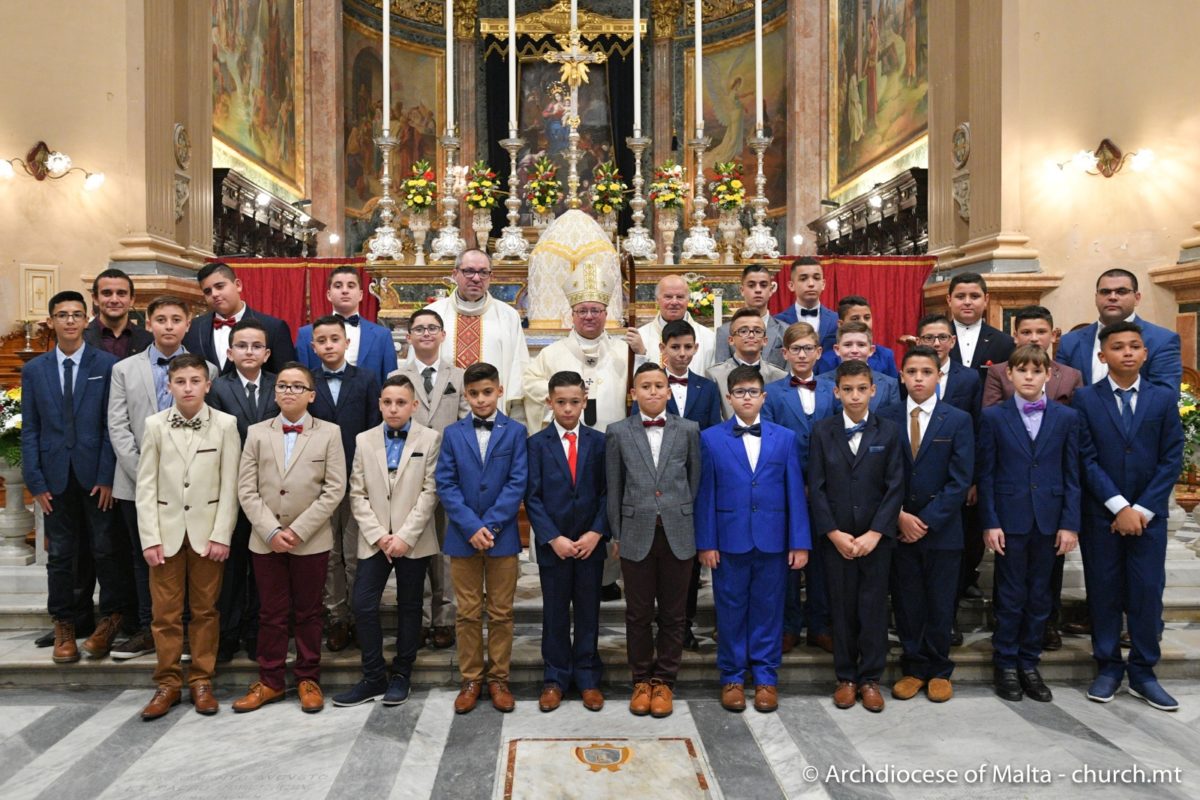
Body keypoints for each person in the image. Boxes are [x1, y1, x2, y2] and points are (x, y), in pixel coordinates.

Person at [1074, 322, 1184, 711]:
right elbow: (1085, 458)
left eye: (1135, 346)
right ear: (1103, 356)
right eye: (1117, 347)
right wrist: (1118, 505)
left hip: (1148, 517)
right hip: (1102, 515)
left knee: (1146, 591)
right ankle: (1107, 667)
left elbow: (1172, 457)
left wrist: (1140, 508)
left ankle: (1143, 671)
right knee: (1104, 590)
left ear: (1145, 354)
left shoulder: (1161, 399)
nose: (1127, 352)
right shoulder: (1085, 399)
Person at [107, 295, 218, 661]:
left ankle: (185, 630)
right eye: (161, 319)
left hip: (193, 485)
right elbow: (118, 426)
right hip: (137, 480)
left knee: (189, 554)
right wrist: (146, 474)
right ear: (148, 323)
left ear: (188, 323)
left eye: (176, 319)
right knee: (148, 558)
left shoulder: (209, 371)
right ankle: (147, 628)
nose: (169, 326)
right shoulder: (124, 369)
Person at [234, 362, 347, 714]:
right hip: (265, 539)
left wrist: (298, 530)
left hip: (309, 539)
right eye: (282, 385)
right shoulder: (256, 432)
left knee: (310, 612)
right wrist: (270, 530)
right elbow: (246, 489)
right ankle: (269, 680)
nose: (288, 391)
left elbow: (334, 489)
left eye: (297, 386)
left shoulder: (330, 433)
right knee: (271, 612)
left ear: (311, 395)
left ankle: (308, 677)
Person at [696, 365, 810, 713]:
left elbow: (795, 492)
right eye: (740, 392)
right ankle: (731, 676)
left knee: (768, 609)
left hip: (773, 539)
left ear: (764, 396)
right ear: (729, 398)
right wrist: (707, 542)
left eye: (753, 392)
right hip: (729, 540)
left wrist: (799, 541)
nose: (746, 398)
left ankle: (765, 678)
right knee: (730, 610)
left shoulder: (784, 438)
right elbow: (706, 494)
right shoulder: (710, 438)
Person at [135, 355, 241, 720]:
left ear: (208, 384)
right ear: (169, 386)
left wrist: (221, 534)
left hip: (206, 534)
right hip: (164, 533)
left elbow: (230, 485)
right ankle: (166, 683)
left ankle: (201, 679)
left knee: (205, 611)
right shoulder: (154, 426)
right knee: (164, 614)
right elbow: (145, 486)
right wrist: (149, 537)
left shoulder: (226, 425)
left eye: (196, 380)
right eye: (180, 381)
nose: (188, 387)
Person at [20, 291, 120, 665]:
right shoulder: (35, 370)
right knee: (60, 555)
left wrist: (109, 475)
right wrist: (36, 481)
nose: (70, 321)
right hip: (55, 478)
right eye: (62, 315)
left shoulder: (106, 365)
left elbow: (113, 425)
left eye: (77, 314)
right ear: (51, 321)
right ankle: (64, 623)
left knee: (105, 550)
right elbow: (31, 429)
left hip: (97, 476)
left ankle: (109, 619)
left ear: (87, 319)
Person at [978, 345, 1081, 703]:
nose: (1028, 377)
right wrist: (990, 521)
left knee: (1040, 595)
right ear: (1009, 374)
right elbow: (986, 474)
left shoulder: (1067, 418)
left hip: (1050, 520)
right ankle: (1005, 662)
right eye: (1022, 370)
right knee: (1009, 594)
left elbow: (1072, 474)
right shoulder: (993, 417)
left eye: (1036, 371)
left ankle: (1029, 662)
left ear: (1049, 375)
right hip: (1010, 519)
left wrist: (1070, 524)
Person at [333, 375, 443, 708]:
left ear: (413, 405)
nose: (393, 409)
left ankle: (402, 674)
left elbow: (430, 492)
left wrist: (405, 537)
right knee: (363, 604)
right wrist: (380, 535)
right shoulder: (364, 440)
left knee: (410, 606)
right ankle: (373, 675)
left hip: (413, 539)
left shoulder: (431, 438)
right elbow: (358, 492)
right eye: (387, 402)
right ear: (380, 403)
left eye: (400, 403)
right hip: (375, 538)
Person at [807, 361, 904, 713]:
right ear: (836, 392)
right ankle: (846, 677)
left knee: (874, 608)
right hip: (837, 539)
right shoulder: (822, 431)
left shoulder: (890, 431)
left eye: (862, 388)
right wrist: (833, 533)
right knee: (843, 608)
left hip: (875, 539)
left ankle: (871, 678)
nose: (855, 395)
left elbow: (895, 487)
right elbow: (816, 488)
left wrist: (876, 532)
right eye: (847, 389)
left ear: (873, 389)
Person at [606, 363, 702, 718]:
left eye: (659, 385)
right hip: (635, 532)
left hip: (678, 531)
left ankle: (665, 681)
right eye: (645, 386)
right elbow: (614, 485)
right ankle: (641, 679)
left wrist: (684, 518)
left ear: (668, 390)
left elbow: (696, 481)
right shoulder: (618, 432)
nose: (652, 392)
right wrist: (616, 532)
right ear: (634, 393)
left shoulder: (689, 429)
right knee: (638, 613)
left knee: (675, 614)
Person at [879, 346, 974, 704]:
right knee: (907, 601)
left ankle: (939, 668)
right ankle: (914, 666)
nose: (919, 378)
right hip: (899, 526)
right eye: (912, 372)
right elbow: (882, 475)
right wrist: (899, 514)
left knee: (940, 601)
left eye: (926, 372)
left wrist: (928, 520)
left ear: (938, 377)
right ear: (901, 377)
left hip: (943, 530)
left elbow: (960, 479)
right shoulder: (886, 417)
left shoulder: (958, 419)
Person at [436, 362, 528, 714]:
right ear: (465, 395)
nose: (480, 399)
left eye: (487, 392)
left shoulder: (515, 432)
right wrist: (472, 527)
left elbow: (517, 482)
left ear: (499, 391)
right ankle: (471, 677)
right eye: (473, 393)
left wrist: (491, 525)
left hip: (501, 537)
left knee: (502, 612)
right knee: (468, 612)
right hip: (463, 537)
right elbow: (446, 483)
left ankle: (499, 677)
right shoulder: (453, 433)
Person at [524, 371, 609, 713]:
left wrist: (596, 532)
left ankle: (588, 677)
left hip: (590, 543)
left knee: (589, 611)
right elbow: (532, 497)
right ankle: (555, 678)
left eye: (575, 402)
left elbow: (607, 492)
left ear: (584, 402)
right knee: (555, 612)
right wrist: (552, 537)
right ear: (550, 402)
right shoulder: (536, 444)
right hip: (554, 545)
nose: (568, 409)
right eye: (561, 402)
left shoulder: (600, 442)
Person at [638, 318, 721, 649]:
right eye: (675, 347)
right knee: (654, 559)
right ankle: (653, 625)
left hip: (692, 482)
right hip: (657, 480)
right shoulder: (649, 384)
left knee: (684, 562)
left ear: (696, 348)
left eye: (688, 347)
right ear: (663, 349)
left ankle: (683, 626)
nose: (682, 353)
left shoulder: (708, 387)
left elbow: (713, 432)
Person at [204, 318, 280, 663]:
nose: (249, 352)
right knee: (233, 566)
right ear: (230, 352)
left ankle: (257, 632)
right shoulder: (218, 389)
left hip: (271, 490)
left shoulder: (281, 386)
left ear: (266, 354)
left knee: (264, 567)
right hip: (231, 489)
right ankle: (228, 633)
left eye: (256, 347)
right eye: (242, 346)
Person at [394, 308, 469, 651]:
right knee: (415, 549)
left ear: (442, 335)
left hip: (450, 473)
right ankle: (421, 617)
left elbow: (466, 422)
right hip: (409, 475)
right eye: (419, 328)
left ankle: (445, 618)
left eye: (432, 328)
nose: (426, 333)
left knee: (447, 550)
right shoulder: (397, 375)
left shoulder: (459, 374)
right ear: (408, 337)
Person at [306, 315, 383, 652]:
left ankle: (359, 613)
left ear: (347, 342)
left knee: (354, 552)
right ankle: (336, 615)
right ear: (313, 346)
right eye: (321, 341)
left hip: (356, 478)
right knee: (328, 552)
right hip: (318, 480)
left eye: (334, 339)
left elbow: (373, 430)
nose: (328, 346)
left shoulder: (366, 380)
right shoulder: (306, 382)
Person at [763, 321, 839, 655]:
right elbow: (770, 442)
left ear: (819, 352)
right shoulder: (774, 392)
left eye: (809, 348)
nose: (803, 354)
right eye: (796, 349)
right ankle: (789, 625)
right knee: (789, 561)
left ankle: (820, 625)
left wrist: (819, 484)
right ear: (785, 353)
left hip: (827, 489)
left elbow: (839, 436)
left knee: (823, 560)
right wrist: (796, 485)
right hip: (786, 489)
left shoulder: (833, 389)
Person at [523, 264, 629, 434]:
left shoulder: (624, 352)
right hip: (567, 440)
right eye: (582, 311)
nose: (589, 316)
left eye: (595, 310)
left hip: (614, 438)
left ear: (606, 314)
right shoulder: (550, 354)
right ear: (572, 315)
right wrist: (560, 392)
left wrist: (641, 355)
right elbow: (529, 383)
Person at [423, 249, 529, 415]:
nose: (476, 278)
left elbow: (518, 369)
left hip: (493, 414)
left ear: (490, 277)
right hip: (443, 414)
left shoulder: (508, 316)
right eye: (469, 271)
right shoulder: (432, 315)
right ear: (455, 274)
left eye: (483, 272)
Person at [1056, 268, 1182, 391]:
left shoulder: (1162, 340)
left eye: (1121, 292)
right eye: (1105, 292)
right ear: (1096, 297)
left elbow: (1165, 395)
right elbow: (1060, 394)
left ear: (1137, 298)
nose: (1112, 297)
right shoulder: (1069, 342)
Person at [183, 262, 296, 374]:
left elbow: (287, 378)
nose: (214, 294)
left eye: (220, 286)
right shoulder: (193, 328)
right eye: (207, 291)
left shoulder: (274, 328)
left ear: (238, 285)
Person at [295, 266, 398, 385]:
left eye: (351, 286)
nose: (345, 290)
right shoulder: (306, 334)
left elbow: (391, 383)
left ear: (360, 295)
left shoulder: (382, 336)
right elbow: (301, 381)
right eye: (338, 286)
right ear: (329, 294)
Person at [982, 306, 1084, 409]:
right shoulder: (998, 372)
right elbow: (992, 417)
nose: (1034, 339)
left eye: (1041, 332)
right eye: (1026, 332)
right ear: (1016, 337)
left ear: (1053, 336)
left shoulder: (1072, 376)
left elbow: (1077, 420)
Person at [626, 275, 717, 373]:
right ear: (657, 300)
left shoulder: (708, 338)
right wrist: (642, 355)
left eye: (680, 297)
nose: (674, 302)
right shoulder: (640, 337)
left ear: (688, 300)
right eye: (668, 297)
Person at [708, 307, 787, 420]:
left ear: (765, 340)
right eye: (743, 331)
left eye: (757, 331)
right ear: (731, 340)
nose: (751, 335)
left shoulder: (779, 376)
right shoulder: (715, 375)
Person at [946, 271, 1015, 384]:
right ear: (949, 300)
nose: (967, 302)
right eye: (960, 296)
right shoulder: (935, 339)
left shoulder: (1004, 342)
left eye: (974, 296)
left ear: (986, 300)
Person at [817, 321, 900, 412]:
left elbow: (894, 421)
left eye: (861, 345)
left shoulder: (890, 385)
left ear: (871, 350)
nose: (854, 350)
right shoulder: (819, 382)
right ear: (837, 349)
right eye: (848, 345)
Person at [714, 267, 787, 369]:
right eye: (751, 285)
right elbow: (721, 373)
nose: (758, 290)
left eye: (763, 285)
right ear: (742, 290)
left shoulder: (785, 331)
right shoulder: (725, 331)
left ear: (771, 290)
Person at [814, 295, 898, 378]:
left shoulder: (885, 355)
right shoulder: (827, 360)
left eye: (867, 318)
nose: (863, 322)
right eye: (855, 319)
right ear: (841, 324)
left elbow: (892, 387)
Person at [84, 268, 153, 359]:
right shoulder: (80, 338)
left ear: (132, 299)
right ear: (95, 299)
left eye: (121, 293)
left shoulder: (148, 340)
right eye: (107, 293)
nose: (114, 300)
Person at [773, 256, 838, 352]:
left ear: (823, 284)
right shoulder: (777, 321)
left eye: (816, 278)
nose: (811, 284)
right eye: (803, 279)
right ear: (791, 285)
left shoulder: (836, 320)